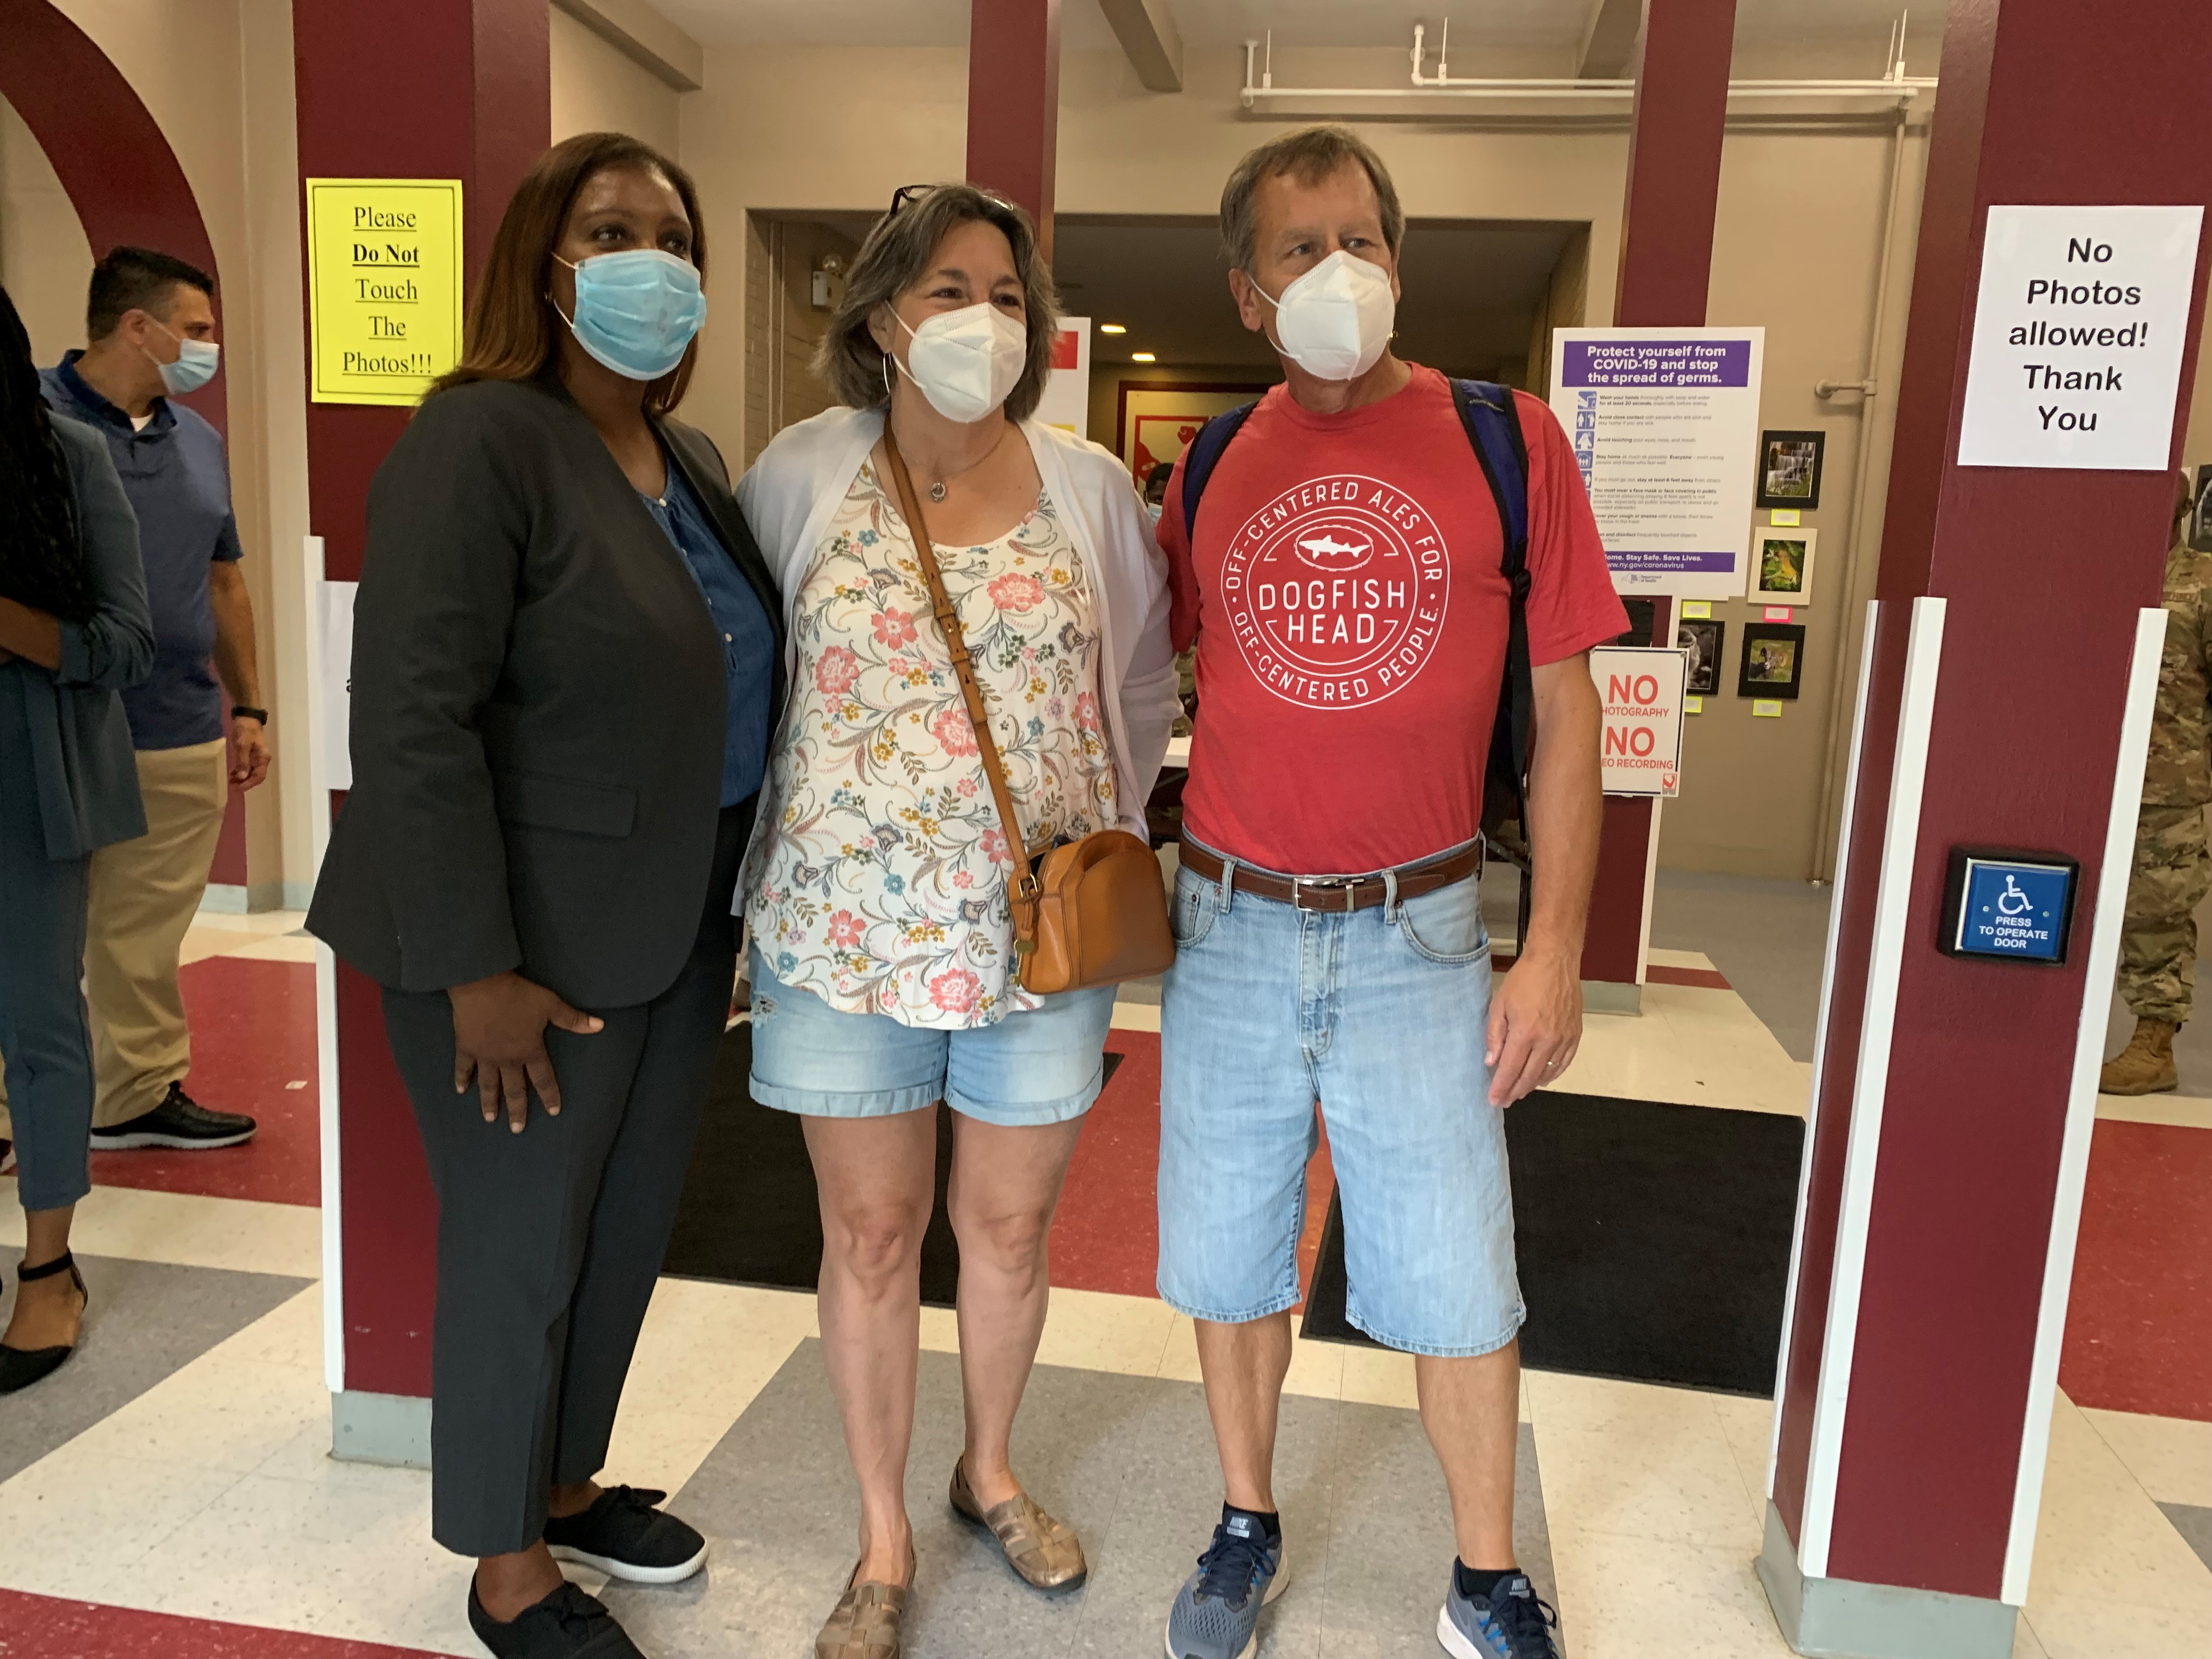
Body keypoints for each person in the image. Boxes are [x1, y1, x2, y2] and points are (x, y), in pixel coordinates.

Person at [306, 132, 782, 1659]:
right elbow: (411, 718)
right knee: (520, 1251)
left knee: (627, 1228)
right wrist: (474, 969)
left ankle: (566, 1486)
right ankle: (506, 1568)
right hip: (516, 951)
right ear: (543, 258)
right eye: (608, 228)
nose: (647, 258)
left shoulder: (686, 461)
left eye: (671, 232)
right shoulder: (480, 440)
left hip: (671, 919)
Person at [1152, 127, 1624, 1659]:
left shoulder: (1510, 440)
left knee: (1456, 1275)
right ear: (1247, 292)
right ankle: (1243, 1521)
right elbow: (1171, 667)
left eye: (1363, 238)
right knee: (1230, 1254)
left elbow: (1572, 718)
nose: (1339, 272)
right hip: (1227, 921)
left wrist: (1551, 950)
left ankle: (1485, 1576)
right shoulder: (1214, 466)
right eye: (1303, 248)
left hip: (1421, 932)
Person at [737, 182, 1177, 1659]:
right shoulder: (798, 476)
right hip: (844, 932)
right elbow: (757, 681)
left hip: (1037, 942)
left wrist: (1086, 834)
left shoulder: (1089, 485)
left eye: (1004, 292)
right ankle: (880, 1537)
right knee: (869, 1235)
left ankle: (988, 1471)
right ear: (877, 317)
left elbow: (1136, 687)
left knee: (1008, 1226)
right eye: (944, 289)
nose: (980, 318)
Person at [0, 247, 265, 1159]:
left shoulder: (198, 440)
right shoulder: (26, 417)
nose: (207, 347)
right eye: (195, 329)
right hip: (57, 722)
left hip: (179, 723)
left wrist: (252, 705)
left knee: (142, 934)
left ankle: (133, 1091)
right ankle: (10, 1110)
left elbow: (224, 577)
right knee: (30, 928)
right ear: (135, 326)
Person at [0, 283, 154, 1392]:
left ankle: (48, 1264)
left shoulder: (64, 461)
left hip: (27, 777)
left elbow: (124, 645)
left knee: (39, 1022)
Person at [2101, 470, 2212, 1095]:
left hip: (2166, 784)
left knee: (2157, 911)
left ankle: (2154, 1040)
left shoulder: (2201, 583)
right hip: (2089, 774)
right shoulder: (2099, 574)